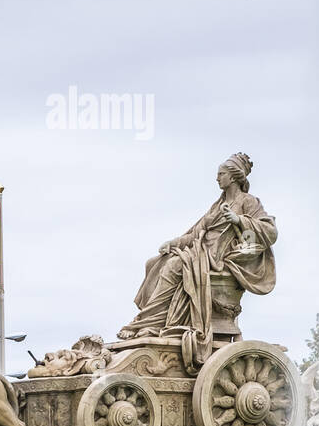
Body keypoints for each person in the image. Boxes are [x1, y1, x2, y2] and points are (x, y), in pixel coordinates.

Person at [117, 152, 277, 368]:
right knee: (154, 262)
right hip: (200, 250)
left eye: (221, 174)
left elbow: (269, 231)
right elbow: (197, 232)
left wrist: (239, 220)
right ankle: (151, 321)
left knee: (175, 265)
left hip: (218, 257)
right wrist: (173, 242)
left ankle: (148, 323)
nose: (217, 178)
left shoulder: (248, 202)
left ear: (233, 176)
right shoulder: (216, 205)